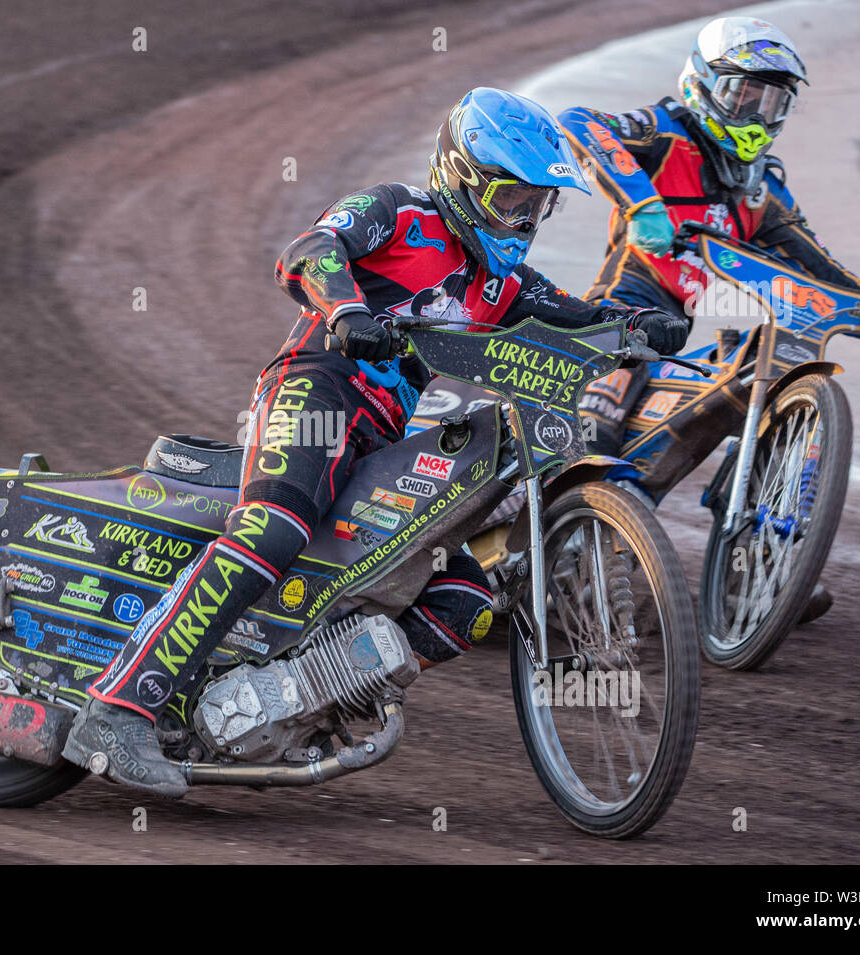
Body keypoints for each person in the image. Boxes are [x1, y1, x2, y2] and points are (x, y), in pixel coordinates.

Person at [62, 87, 688, 796]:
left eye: (539, 205)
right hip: (315, 386)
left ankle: (296, 703)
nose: (525, 220)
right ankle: (116, 708)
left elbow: (575, 317)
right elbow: (309, 251)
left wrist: (638, 327)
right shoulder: (400, 212)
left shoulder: (503, 282)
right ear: (464, 178)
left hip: (384, 435)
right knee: (275, 529)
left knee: (464, 598)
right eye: (514, 200)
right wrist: (348, 309)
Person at [558, 16, 860, 619]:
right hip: (632, 299)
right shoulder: (662, 131)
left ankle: (761, 563)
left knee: (764, 376)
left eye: (773, 100)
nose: (757, 115)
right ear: (702, 84)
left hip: (710, 310)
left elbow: (820, 266)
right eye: (745, 94)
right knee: (610, 387)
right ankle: (575, 549)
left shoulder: (763, 187)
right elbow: (579, 124)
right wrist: (643, 201)